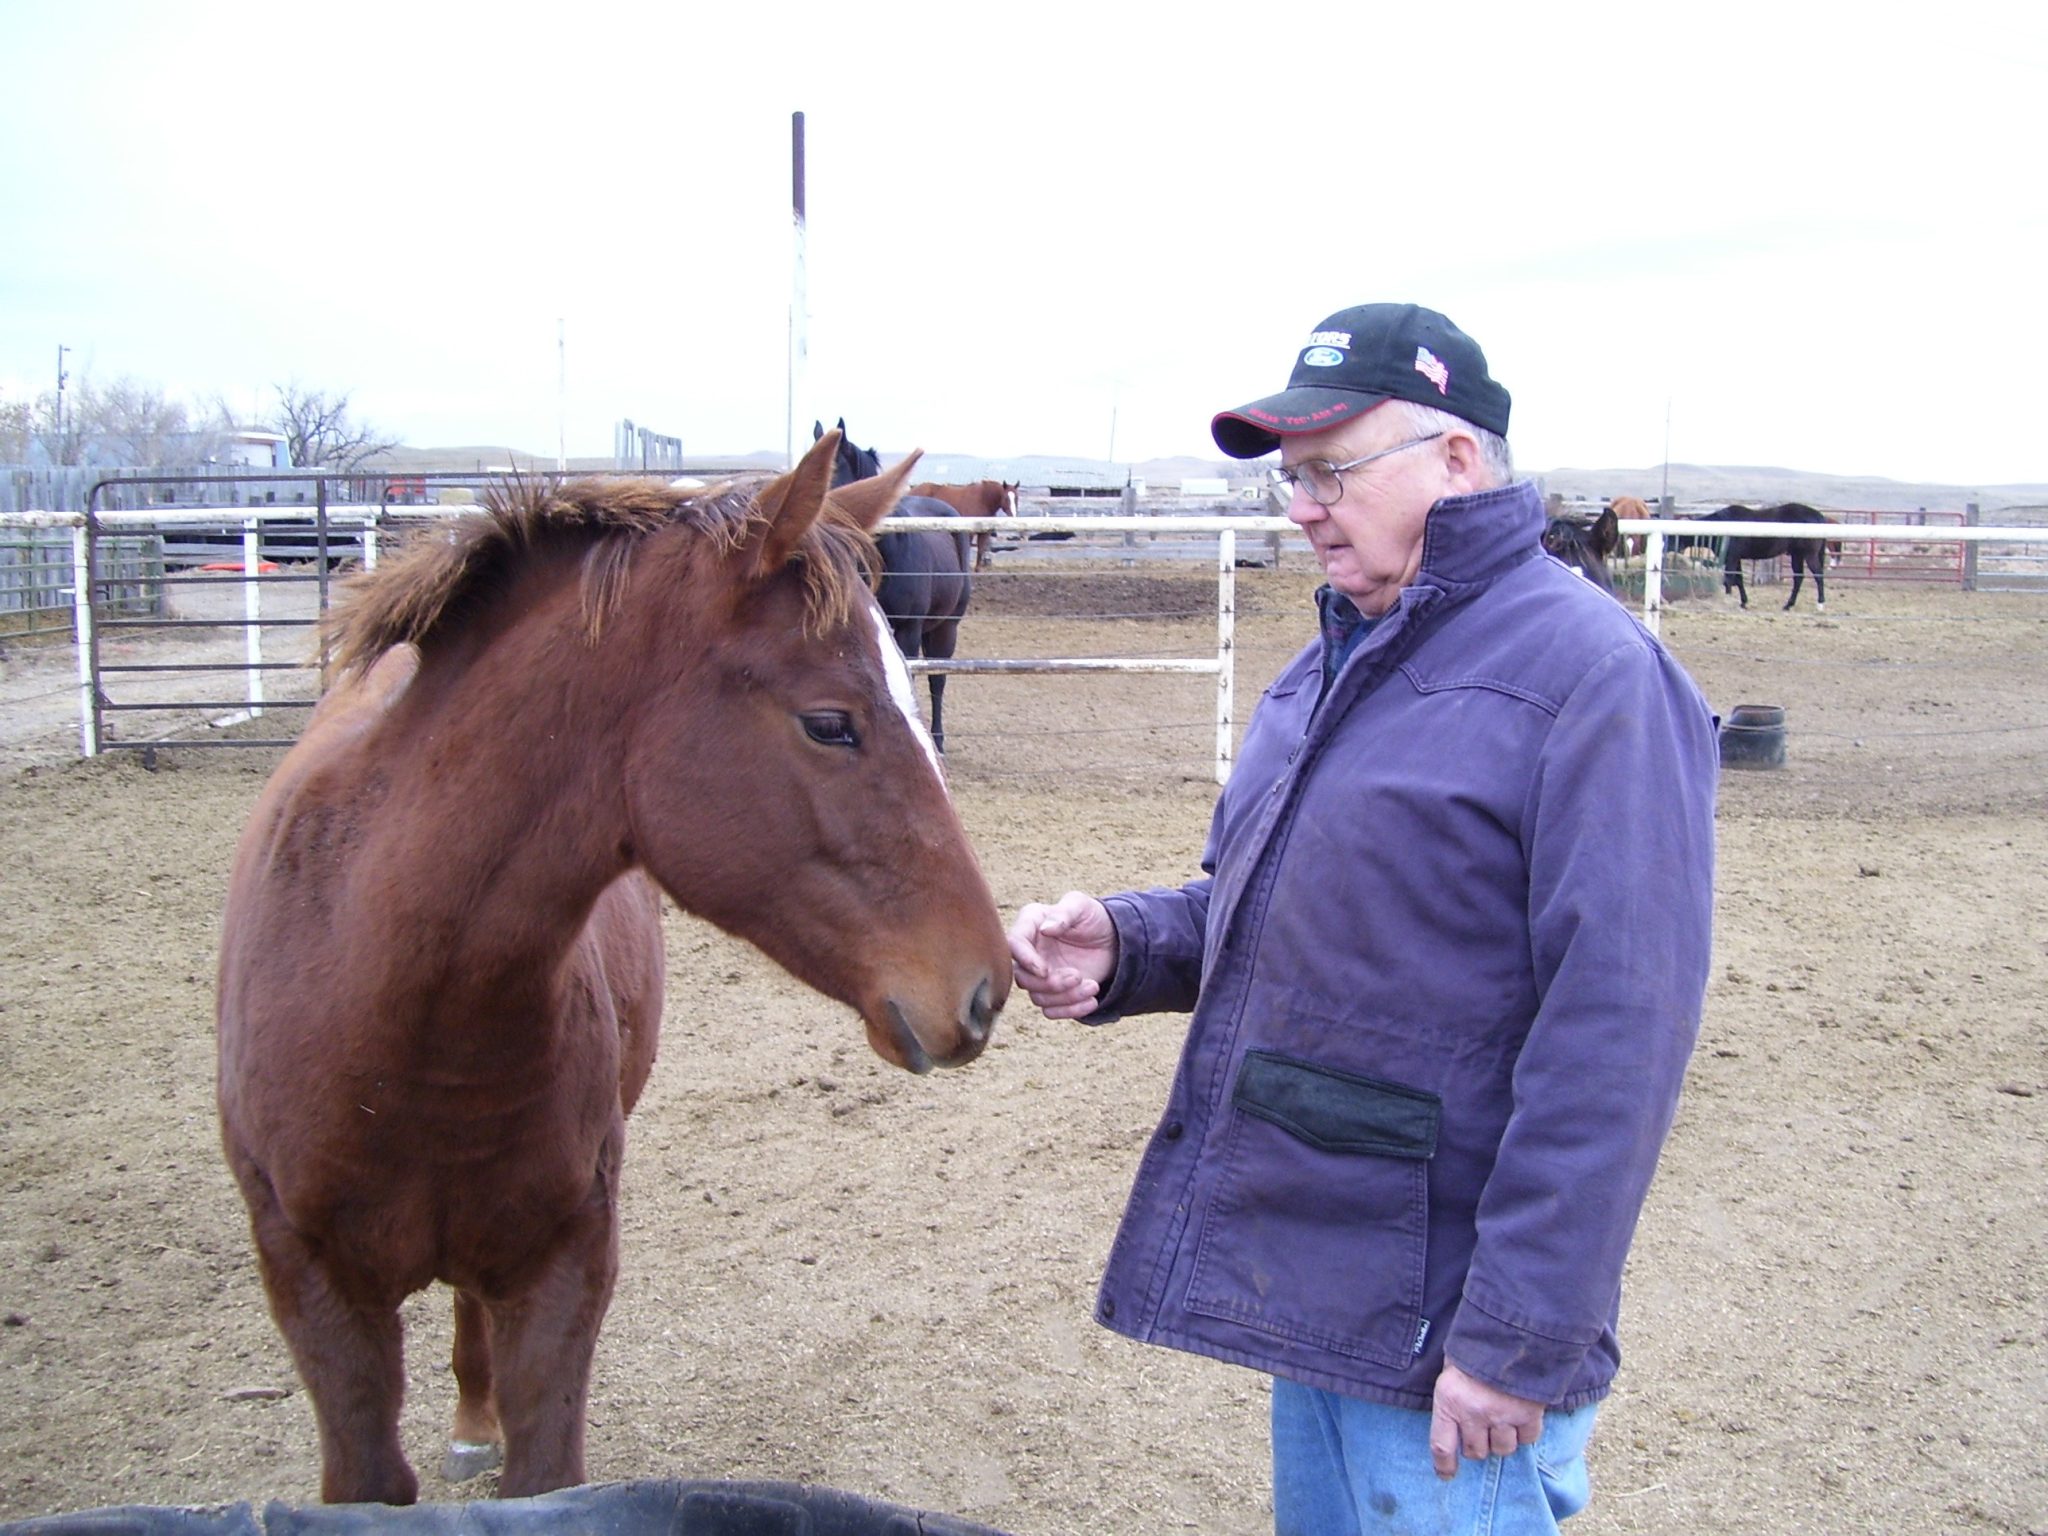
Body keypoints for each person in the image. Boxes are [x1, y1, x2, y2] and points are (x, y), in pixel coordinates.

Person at [1008, 303, 1717, 1535]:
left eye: (1330, 469)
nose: (1300, 505)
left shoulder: (1593, 676)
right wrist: (1127, 943)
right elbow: (1279, 902)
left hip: (1450, 1325)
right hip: (1326, 1276)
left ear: (1455, 460)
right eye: (1291, 476)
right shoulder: (1339, 652)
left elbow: (1615, 1036)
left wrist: (1517, 1337)